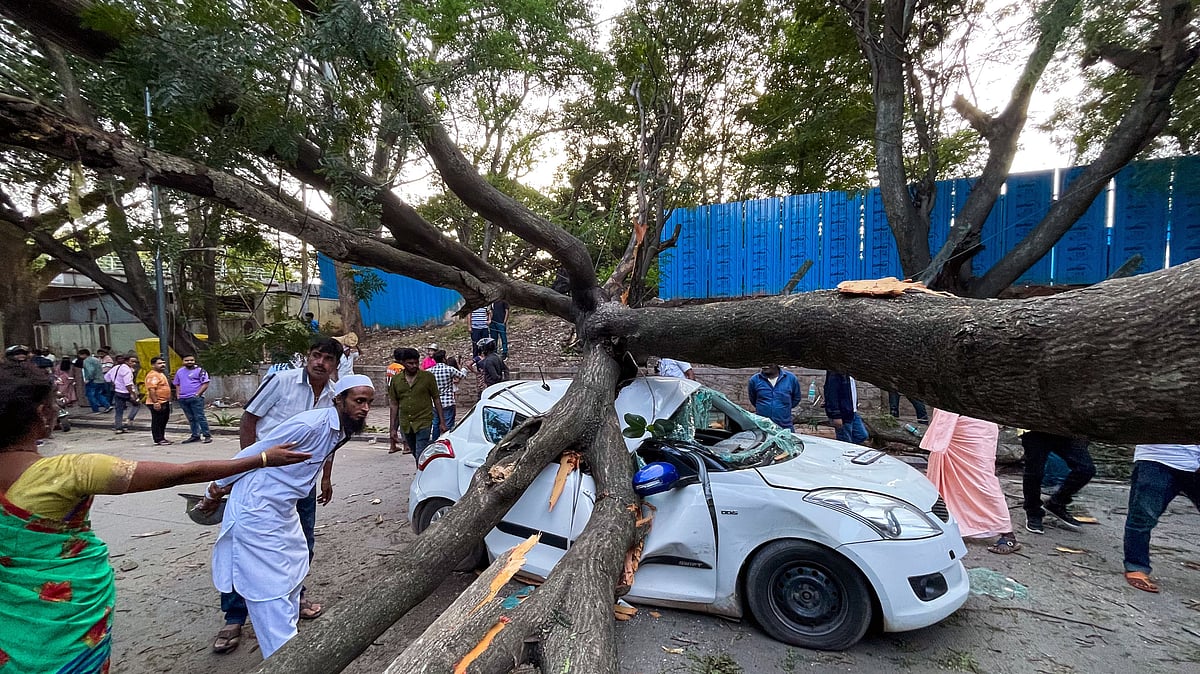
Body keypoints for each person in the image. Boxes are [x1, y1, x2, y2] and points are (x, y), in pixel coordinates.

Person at [0, 362, 309, 673]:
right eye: (56, 402)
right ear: (41, 413)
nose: (59, 407)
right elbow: (181, 473)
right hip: (63, 625)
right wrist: (264, 458)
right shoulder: (68, 472)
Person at [200, 375, 374, 659]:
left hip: (283, 506)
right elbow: (254, 453)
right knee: (268, 584)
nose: (365, 408)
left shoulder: (342, 430)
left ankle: (288, 634)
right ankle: (283, 654)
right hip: (256, 506)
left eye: (369, 402)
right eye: (359, 401)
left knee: (296, 563)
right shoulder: (308, 424)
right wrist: (216, 489)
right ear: (339, 400)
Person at [209, 337, 342, 653]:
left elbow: (331, 440)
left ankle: (293, 598)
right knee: (245, 547)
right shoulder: (280, 381)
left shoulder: (336, 398)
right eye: (315, 355)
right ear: (308, 357)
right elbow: (249, 419)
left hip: (301, 484)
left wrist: (326, 477)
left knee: (300, 544)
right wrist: (250, 465)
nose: (319, 362)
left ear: (336, 365)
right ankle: (235, 617)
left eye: (326, 358)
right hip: (262, 480)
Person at [920, 409, 1021, 554]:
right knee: (948, 478)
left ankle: (1007, 533)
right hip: (950, 424)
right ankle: (950, 525)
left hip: (976, 425)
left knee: (982, 481)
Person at [1122, 444, 1200, 593]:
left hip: (1194, 462)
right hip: (1157, 459)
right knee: (1143, 517)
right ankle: (1136, 566)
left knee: (1142, 516)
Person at [1020, 431, 1095, 534]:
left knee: (1086, 469)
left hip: (1064, 430)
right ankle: (1033, 512)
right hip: (1034, 429)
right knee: (1034, 472)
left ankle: (1056, 503)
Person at [388, 347, 447, 459]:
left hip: (423, 421)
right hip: (406, 423)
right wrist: (393, 428)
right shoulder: (396, 380)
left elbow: (436, 399)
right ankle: (422, 472)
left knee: (421, 452)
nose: (414, 366)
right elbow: (394, 404)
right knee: (415, 452)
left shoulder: (427, 377)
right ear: (403, 363)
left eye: (416, 363)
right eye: (410, 363)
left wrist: (442, 422)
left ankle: (421, 475)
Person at [428, 350, 467, 440]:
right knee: (448, 424)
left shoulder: (429, 371)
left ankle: (435, 442)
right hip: (448, 401)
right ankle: (447, 441)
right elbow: (462, 376)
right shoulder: (449, 369)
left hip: (435, 402)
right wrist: (464, 369)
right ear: (443, 359)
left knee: (436, 424)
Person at [747, 365, 802, 430]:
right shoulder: (754, 380)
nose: (764, 366)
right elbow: (753, 399)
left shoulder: (791, 379)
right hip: (762, 427)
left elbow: (796, 398)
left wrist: (783, 408)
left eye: (768, 362)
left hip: (785, 426)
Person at [174, 354, 213, 444]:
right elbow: (177, 383)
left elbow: (205, 383)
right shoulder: (179, 371)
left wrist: (197, 394)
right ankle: (195, 435)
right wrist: (178, 395)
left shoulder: (200, 371)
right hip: (183, 398)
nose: (189, 362)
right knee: (191, 418)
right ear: (183, 361)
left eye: (191, 360)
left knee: (200, 417)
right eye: (187, 360)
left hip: (196, 398)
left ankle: (207, 435)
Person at [823, 371, 869, 444]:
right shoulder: (835, 374)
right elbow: (832, 395)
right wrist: (836, 416)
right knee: (845, 441)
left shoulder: (849, 374)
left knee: (862, 435)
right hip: (842, 414)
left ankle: (851, 450)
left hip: (852, 411)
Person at [107, 354, 140, 434]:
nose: (134, 363)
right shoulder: (127, 370)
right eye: (132, 361)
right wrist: (133, 394)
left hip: (117, 391)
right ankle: (130, 418)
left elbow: (107, 377)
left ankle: (118, 427)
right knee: (137, 404)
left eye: (135, 362)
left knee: (119, 410)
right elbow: (128, 384)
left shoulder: (116, 368)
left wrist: (115, 382)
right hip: (126, 392)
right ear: (126, 361)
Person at [145, 356, 173, 446]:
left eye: (163, 363)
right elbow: (152, 390)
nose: (163, 365)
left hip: (164, 401)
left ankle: (162, 438)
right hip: (157, 402)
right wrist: (156, 402)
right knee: (158, 421)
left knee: (163, 420)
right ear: (153, 365)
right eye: (159, 363)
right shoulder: (153, 375)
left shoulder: (160, 374)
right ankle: (158, 439)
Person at [79, 348, 108, 413]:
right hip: (100, 379)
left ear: (84, 354)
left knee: (90, 395)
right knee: (98, 394)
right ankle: (107, 405)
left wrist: (88, 379)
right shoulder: (96, 359)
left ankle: (95, 409)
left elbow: (90, 370)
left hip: (93, 380)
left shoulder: (86, 361)